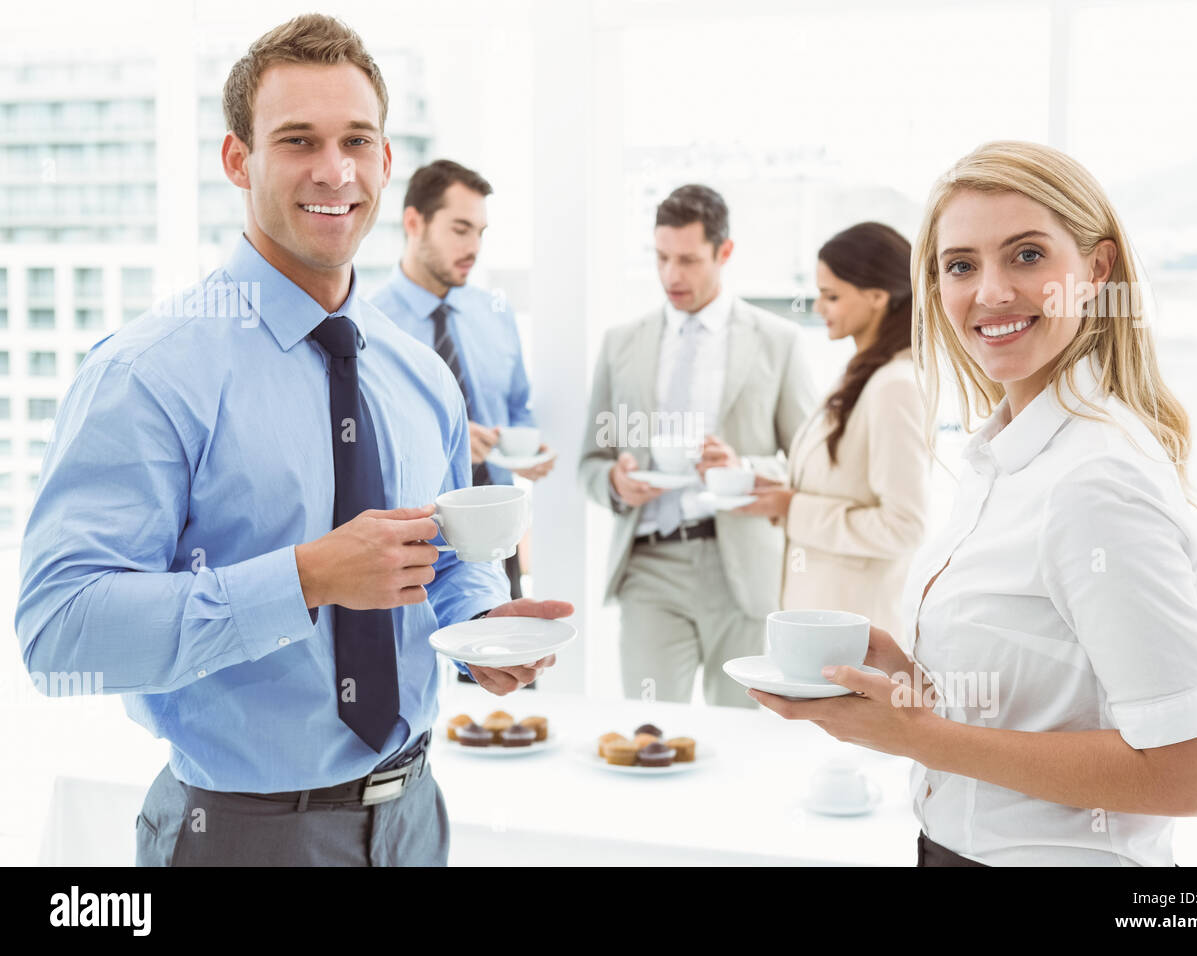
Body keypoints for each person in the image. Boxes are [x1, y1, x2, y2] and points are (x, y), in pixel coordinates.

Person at [14, 14, 570, 867]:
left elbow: (450, 558)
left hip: (416, 816)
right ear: (239, 160)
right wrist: (306, 579)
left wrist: (484, 625)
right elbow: (60, 636)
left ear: (387, 160)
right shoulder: (149, 374)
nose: (335, 170)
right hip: (239, 836)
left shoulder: (421, 376)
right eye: (298, 140)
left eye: (357, 139)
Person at [750, 141, 1197, 866]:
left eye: (1028, 256)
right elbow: (1049, 697)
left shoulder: (1094, 482)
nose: (991, 292)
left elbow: (1189, 775)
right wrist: (918, 689)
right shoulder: (1002, 459)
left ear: (1096, 272)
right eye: (961, 265)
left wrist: (918, 737)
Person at [578, 184, 817, 708]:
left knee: (743, 734)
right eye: (662, 258)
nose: (672, 276)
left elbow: (810, 463)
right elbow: (590, 461)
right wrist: (615, 484)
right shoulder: (621, 342)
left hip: (742, 571)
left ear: (723, 252)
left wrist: (741, 467)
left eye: (687, 259)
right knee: (650, 731)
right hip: (650, 567)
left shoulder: (778, 341)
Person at [369, 159, 553, 605]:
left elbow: (515, 407)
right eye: (460, 229)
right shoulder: (369, 324)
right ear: (414, 222)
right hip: (413, 538)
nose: (474, 246)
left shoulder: (495, 314)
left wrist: (521, 451)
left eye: (481, 232)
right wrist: (445, 440)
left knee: (496, 662)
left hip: (494, 532)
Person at [735, 222, 929, 636]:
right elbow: (838, 484)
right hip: (821, 628)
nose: (819, 308)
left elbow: (905, 526)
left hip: (856, 633)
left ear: (878, 296)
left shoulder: (894, 386)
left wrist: (792, 509)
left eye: (832, 296)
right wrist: (765, 486)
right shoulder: (862, 375)